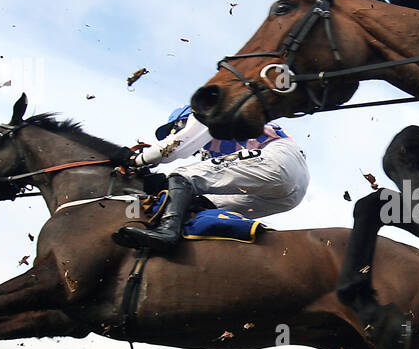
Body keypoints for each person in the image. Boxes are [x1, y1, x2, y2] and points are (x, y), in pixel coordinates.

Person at [112, 107, 309, 252]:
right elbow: (209, 181)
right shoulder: (214, 147)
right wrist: (161, 185)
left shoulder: (207, 115)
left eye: (174, 129)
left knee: (183, 174)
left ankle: (167, 232)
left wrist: (137, 160)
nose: (173, 133)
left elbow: (177, 145)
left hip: (278, 158)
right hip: (291, 191)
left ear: (184, 121)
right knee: (202, 206)